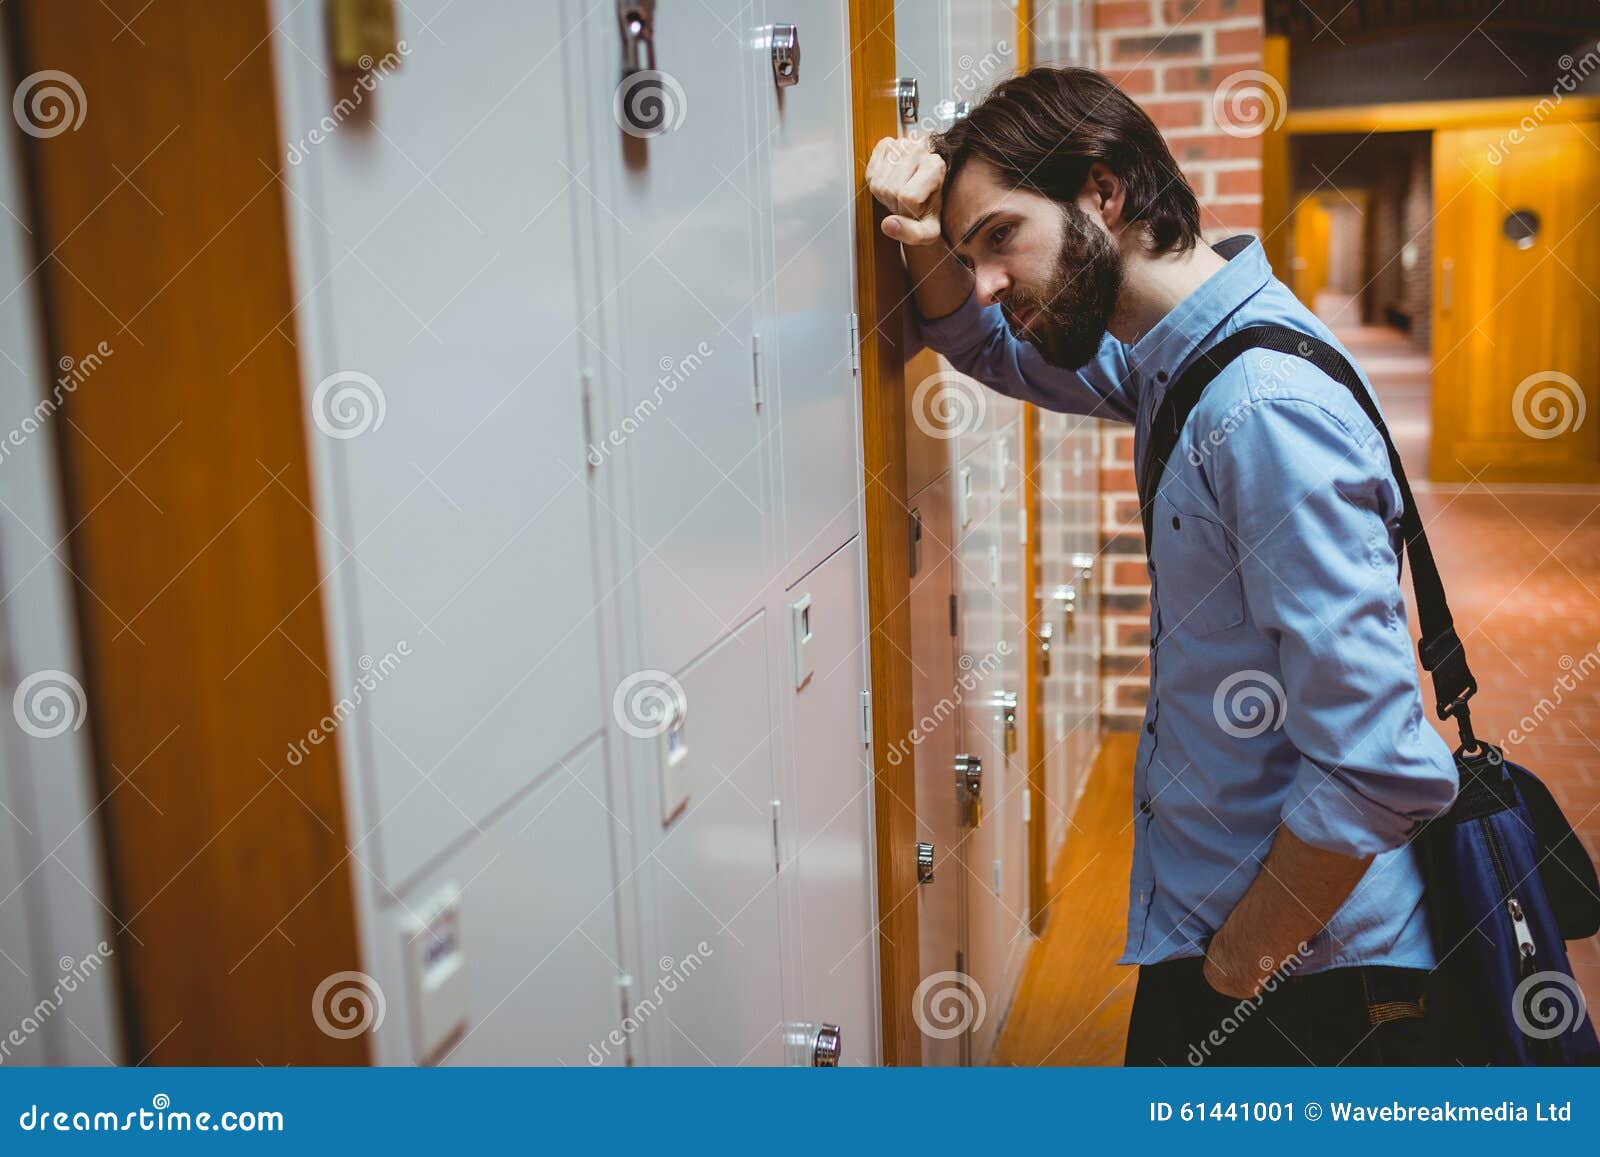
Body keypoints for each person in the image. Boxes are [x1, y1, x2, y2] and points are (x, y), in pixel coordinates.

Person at [866, 66, 1459, 1066]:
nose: (993, 281)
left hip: (1298, 969)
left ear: (1104, 193)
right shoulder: (1174, 356)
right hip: (1240, 925)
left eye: (1002, 236)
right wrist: (928, 239)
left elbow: (1375, 761)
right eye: (980, 254)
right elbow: (983, 346)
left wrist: (1234, 968)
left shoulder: (1256, 407)